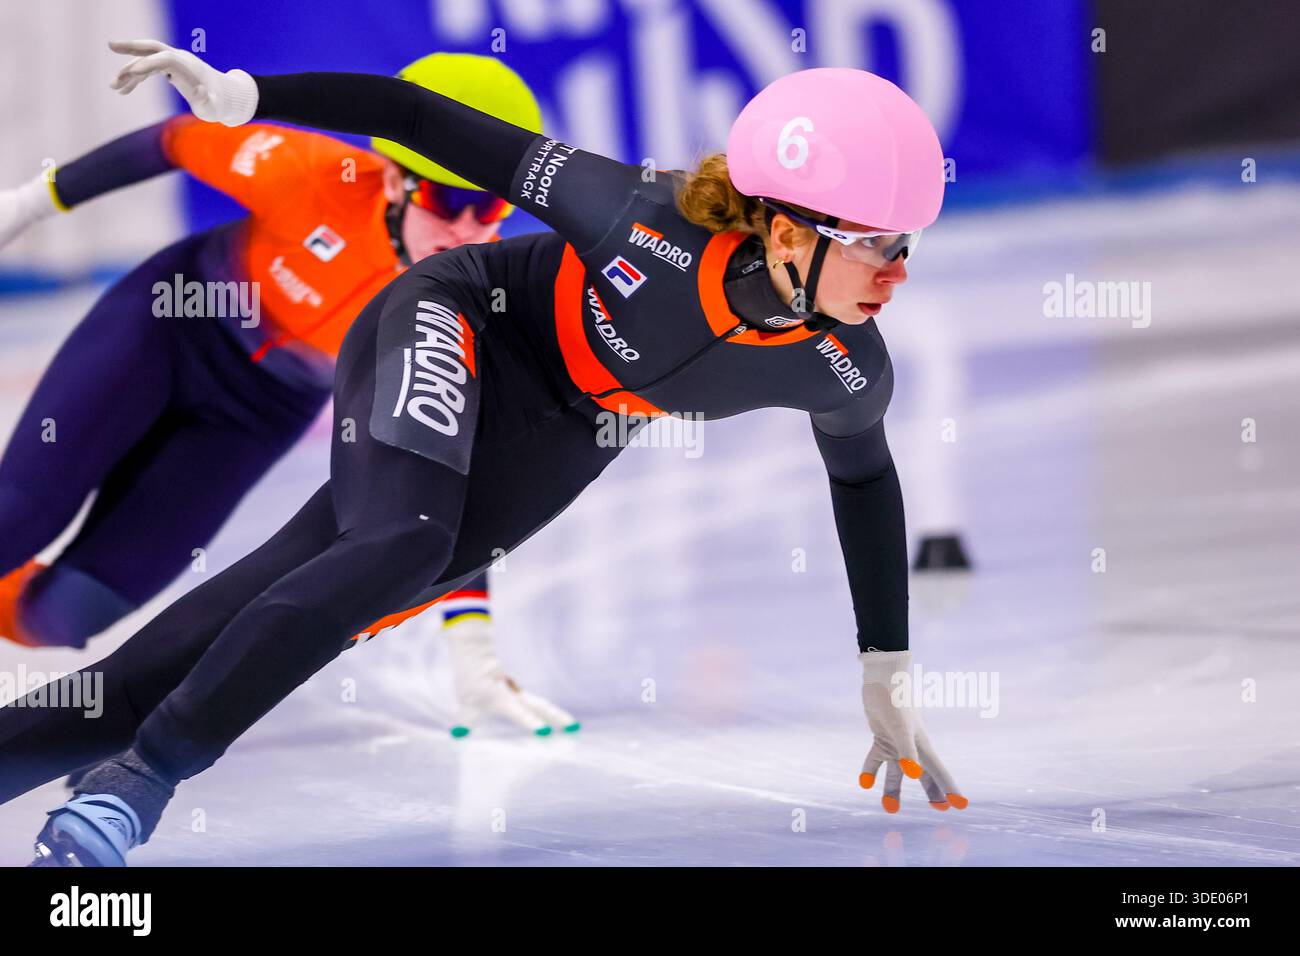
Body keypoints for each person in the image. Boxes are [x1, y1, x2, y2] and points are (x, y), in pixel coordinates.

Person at [10, 40, 967, 866]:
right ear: (790, 230)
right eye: (878, 243)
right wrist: (250, 96)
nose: (897, 273)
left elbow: (865, 478)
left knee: (286, 608)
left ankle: (66, 745)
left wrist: (885, 669)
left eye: (910, 244)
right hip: (460, 315)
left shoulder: (843, 364)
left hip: (570, 428)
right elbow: (421, 115)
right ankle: (138, 786)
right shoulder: (636, 213)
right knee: (401, 545)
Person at [0, 52, 574, 737]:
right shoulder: (311, 174)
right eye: (452, 201)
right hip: (167, 330)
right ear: (393, 178)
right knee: (15, 523)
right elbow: (172, 139)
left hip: (256, 415)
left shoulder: (469, 296)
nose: (471, 230)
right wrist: (26, 206)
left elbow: (439, 490)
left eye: (493, 207)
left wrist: (471, 647)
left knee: (68, 615)